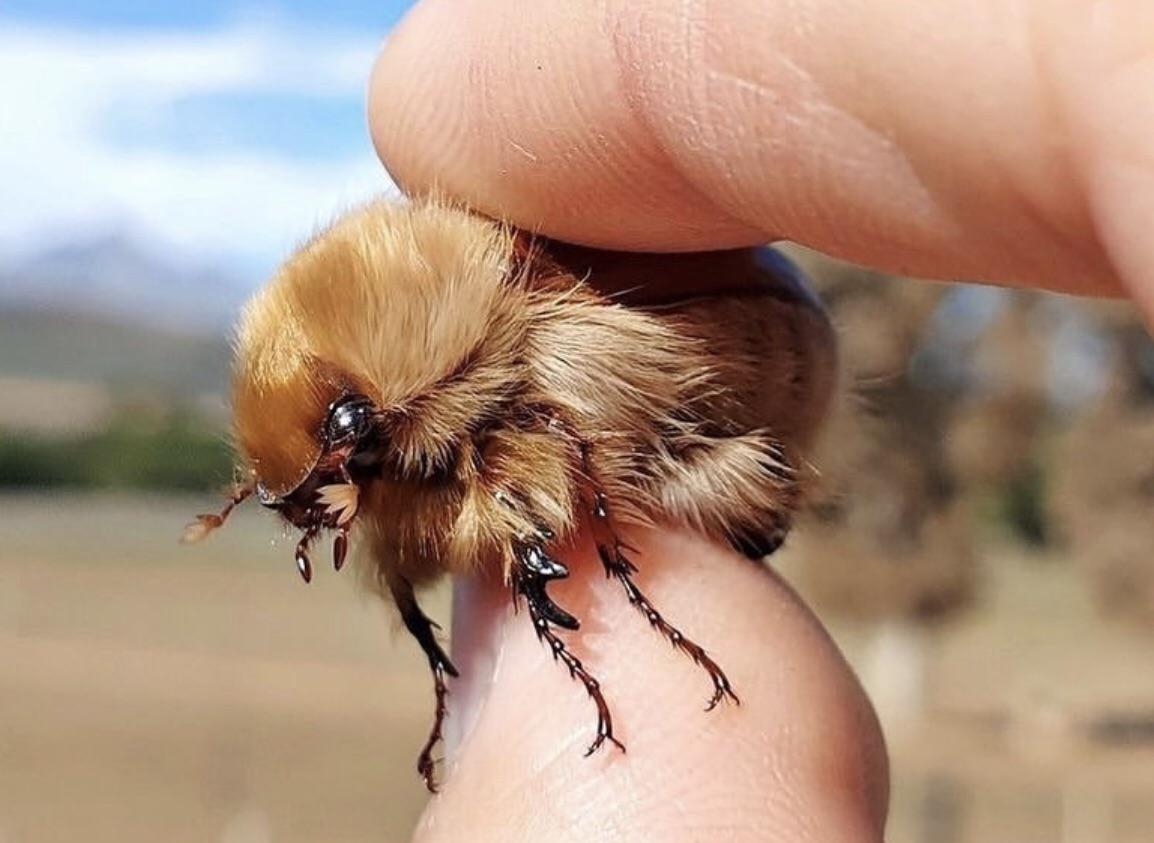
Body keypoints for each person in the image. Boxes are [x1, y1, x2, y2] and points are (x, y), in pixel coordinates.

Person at [366, 2, 1152, 840]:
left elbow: (558, 457)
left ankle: (610, 611)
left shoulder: (490, 362)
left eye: (344, 433)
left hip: (734, 373)